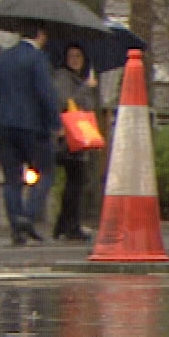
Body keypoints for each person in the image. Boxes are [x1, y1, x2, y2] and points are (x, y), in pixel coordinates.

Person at [0, 24, 63, 246]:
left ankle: (16, 227)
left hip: (1, 123)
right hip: (31, 125)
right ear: (40, 35)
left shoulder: (2, 58)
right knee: (45, 172)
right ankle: (27, 216)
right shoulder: (37, 59)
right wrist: (56, 123)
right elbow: (45, 94)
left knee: (12, 178)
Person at [49, 43, 100, 241]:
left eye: (78, 56)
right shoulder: (63, 77)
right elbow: (66, 102)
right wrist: (86, 87)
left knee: (77, 182)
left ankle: (65, 224)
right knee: (75, 180)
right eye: (71, 56)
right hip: (66, 136)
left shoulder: (82, 79)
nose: (75, 60)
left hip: (80, 135)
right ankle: (69, 225)